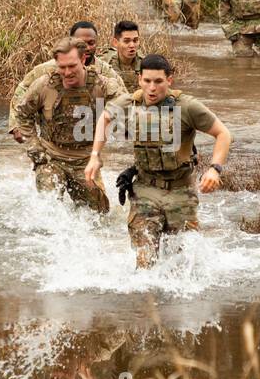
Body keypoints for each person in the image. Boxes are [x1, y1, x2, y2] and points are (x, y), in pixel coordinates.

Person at [84, 54, 233, 267]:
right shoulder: (129, 103)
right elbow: (105, 117)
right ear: (139, 79)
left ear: (169, 80)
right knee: (145, 262)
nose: (152, 88)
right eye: (147, 81)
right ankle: (147, 298)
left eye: (158, 81)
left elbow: (223, 134)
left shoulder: (188, 106)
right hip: (145, 188)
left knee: (180, 262)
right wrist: (95, 156)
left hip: (180, 190)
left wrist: (214, 169)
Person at [13, 37, 126, 213]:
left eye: (72, 66)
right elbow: (22, 116)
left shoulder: (102, 86)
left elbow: (127, 110)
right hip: (51, 156)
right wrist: (35, 149)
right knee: (49, 209)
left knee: (99, 215)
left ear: (83, 60)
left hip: (85, 160)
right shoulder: (44, 85)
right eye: (62, 67)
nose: (67, 72)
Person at [8, 22, 103, 137]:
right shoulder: (47, 69)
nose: (86, 48)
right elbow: (22, 90)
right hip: (53, 125)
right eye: (81, 43)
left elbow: (121, 97)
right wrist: (16, 126)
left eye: (91, 43)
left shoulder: (104, 70)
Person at [97, 19, 143, 90]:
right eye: (126, 41)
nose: (132, 45)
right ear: (115, 42)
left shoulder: (146, 64)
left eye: (135, 40)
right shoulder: (103, 63)